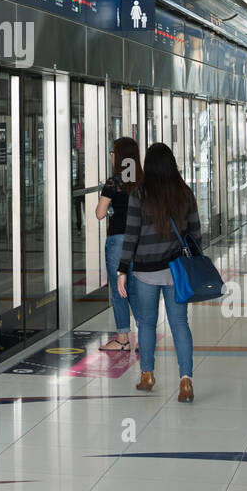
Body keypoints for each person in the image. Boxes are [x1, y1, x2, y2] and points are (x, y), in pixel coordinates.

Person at [117, 142, 198, 402]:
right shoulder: (184, 193)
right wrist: (194, 264)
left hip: (145, 272)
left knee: (147, 323)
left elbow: (131, 237)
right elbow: (195, 234)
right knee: (180, 324)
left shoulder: (138, 195)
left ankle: (147, 375)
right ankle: (185, 380)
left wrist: (122, 270)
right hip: (176, 271)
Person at [95, 137, 141, 352]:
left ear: (119, 156)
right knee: (138, 288)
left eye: (112, 152)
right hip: (140, 240)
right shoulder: (143, 180)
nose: (111, 156)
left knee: (119, 288)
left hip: (118, 241)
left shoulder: (114, 182)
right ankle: (144, 333)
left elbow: (99, 213)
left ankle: (123, 337)